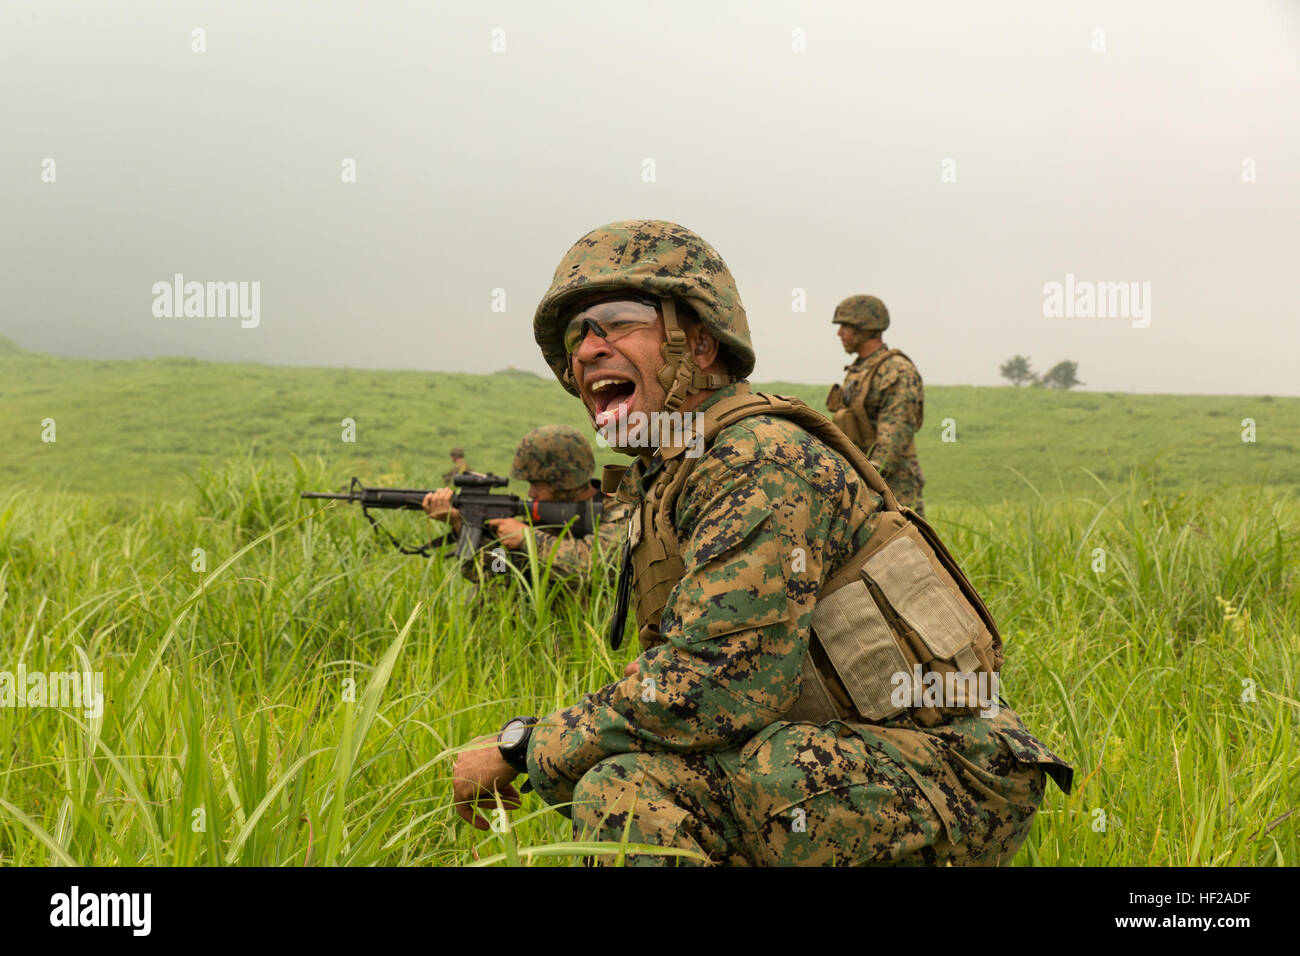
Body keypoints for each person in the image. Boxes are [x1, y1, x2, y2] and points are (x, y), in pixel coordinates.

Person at [450, 219, 1072, 866]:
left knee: (626, 791)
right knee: (617, 759)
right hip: (866, 751)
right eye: (577, 335)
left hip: (958, 776)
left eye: (614, 321)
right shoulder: (675, 471)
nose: (586, 349)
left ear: (700, 344)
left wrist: (523, 746)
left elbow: (715, 686)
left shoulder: (757, 461)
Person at [423, 426, 627, 579]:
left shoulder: (619, 513)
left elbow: (596, 567)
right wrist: (460, 524)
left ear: (564, 480)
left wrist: (528, 540)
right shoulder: (536, 519)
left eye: (537, 484)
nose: (530, 493)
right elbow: (492, 575)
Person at [827, 295, 927, 516]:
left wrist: (865, 480)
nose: (839, 332)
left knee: (905, 546)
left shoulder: (896, 370)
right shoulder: (859, 370)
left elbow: (894, 437)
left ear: (864, 328)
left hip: (893, 484)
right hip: (866, 481)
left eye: (845, 326)